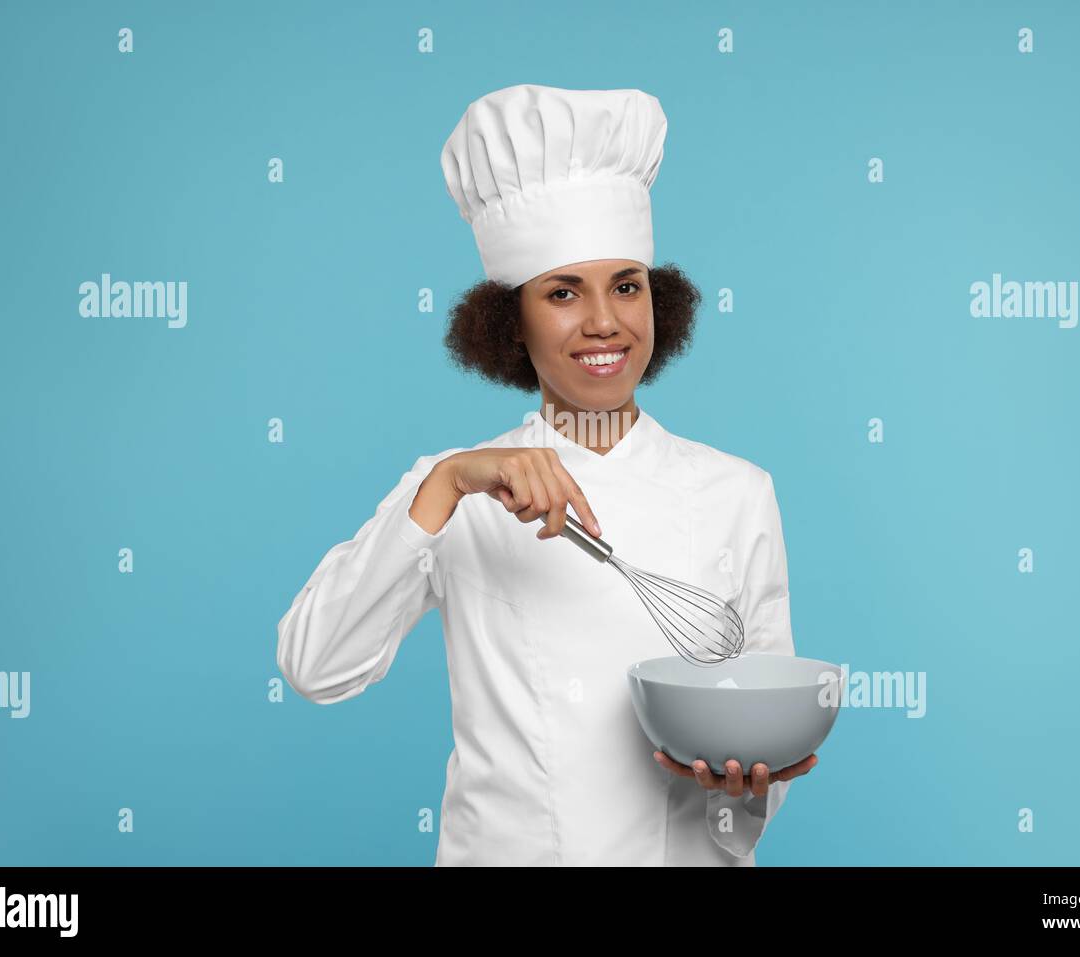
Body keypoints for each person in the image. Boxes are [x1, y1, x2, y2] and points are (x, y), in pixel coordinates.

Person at [276, 84, 816, 866]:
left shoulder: (738, 491)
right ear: (508, 320)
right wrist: (447, 485)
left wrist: (743, 786)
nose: (604, 321)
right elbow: (313, 665)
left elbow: (761, 754)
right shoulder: (454, 487)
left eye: (626, 285)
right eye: (562, 292)